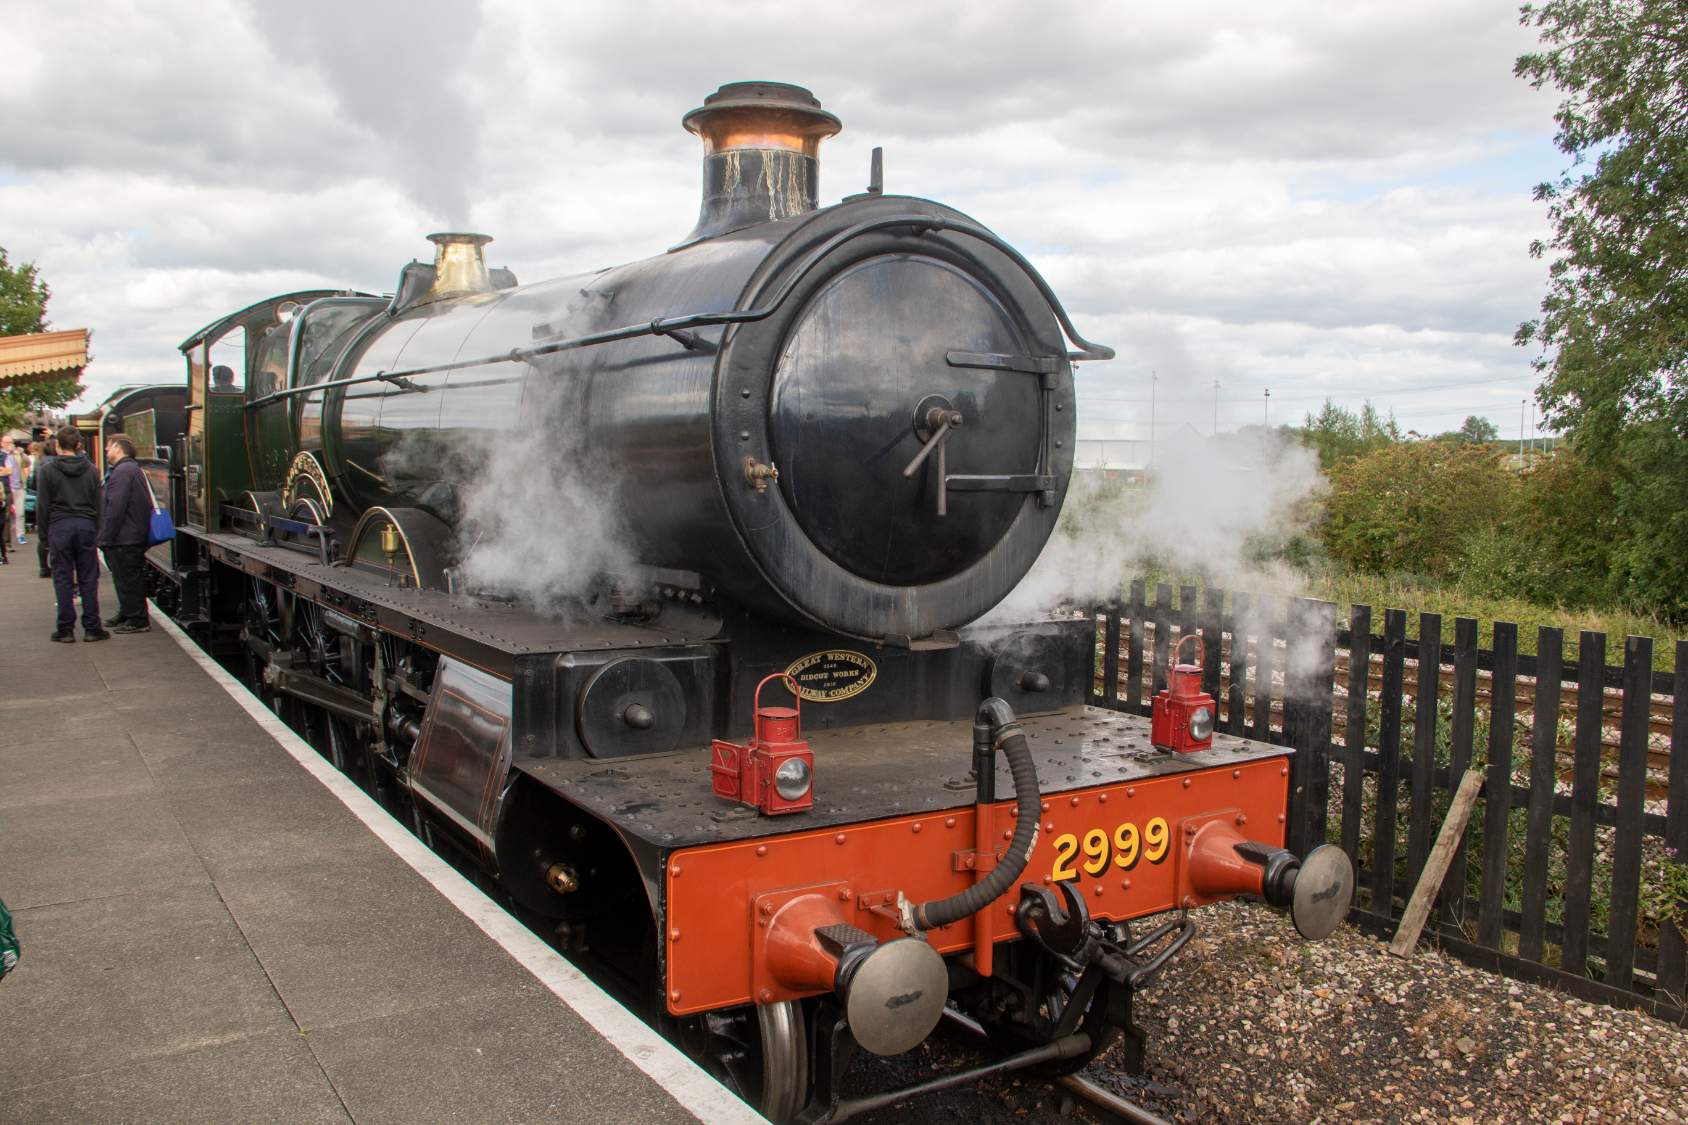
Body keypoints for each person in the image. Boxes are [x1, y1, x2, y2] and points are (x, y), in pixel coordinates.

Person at [35, 426, 106, 642]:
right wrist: (97, 530)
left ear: (57, 445)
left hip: (59, 526)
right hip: (85, 525)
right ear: (78, 446)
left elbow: (42, 505)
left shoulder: (47, 471)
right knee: (88, 576)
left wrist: (44, 536)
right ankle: (92, 627)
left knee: (63, 577)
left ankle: (65, 629)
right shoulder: (92, 470)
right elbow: (99, 504)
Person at [98, 434, 152, 633]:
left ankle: (137, 619)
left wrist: (106, 536)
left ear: (119, 448)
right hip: (128, 534)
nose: (106, 451)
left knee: (128, 578)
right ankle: (128, 612)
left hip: (124, 536)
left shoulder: (123, 472)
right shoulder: (129, 470)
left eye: (109, 447)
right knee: (124, 578)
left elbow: (116, 507)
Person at [29, 438, 56, 577]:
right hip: (56, 503)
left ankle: (43, 567)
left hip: (41, 501)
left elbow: (32, 484)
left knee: (43, 536)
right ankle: (55, 563)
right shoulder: (57, 463)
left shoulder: (39, 462)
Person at [0, 435, 24, 545]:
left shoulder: (16, 455)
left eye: (10, 442)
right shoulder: (2, 455)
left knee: (14, 514)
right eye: (6, 442)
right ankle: (5, 541)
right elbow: (7, 471)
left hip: (16, 486)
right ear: (1, 443)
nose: (8, 444)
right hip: (5, 487)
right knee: (6, 515)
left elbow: (26, 464)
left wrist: (20, 453)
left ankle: (8, 540)